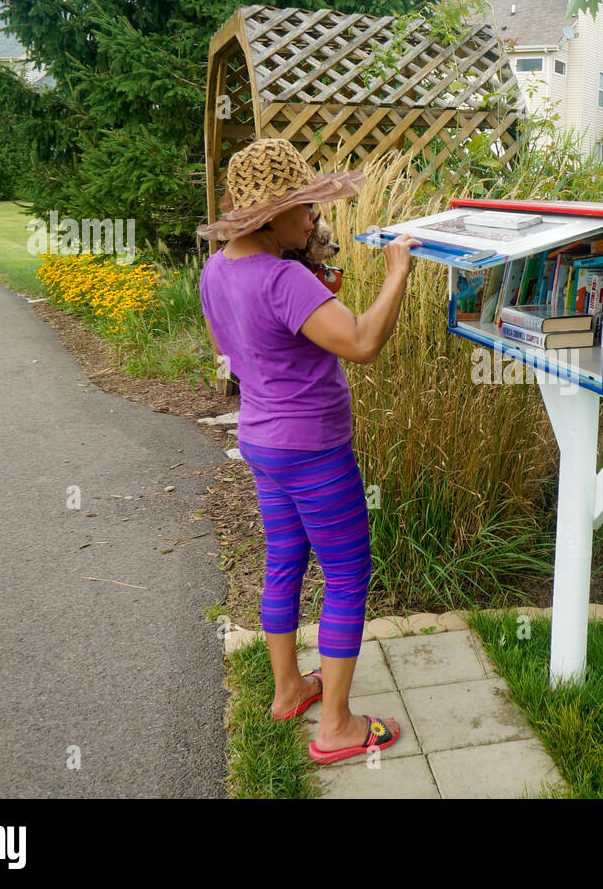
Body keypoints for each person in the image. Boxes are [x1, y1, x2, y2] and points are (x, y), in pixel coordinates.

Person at [196, 138, 420, 764]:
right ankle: (338, 728)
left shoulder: (218, 270)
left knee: (285, 562)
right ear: (270, 215)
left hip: (262, 442)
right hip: (314, 449)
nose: (315, 218)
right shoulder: (282, 276)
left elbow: (238, 349)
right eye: (305, 208)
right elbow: (362, 342)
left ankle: (291, 688)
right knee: (348, 575)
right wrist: (398, 271)